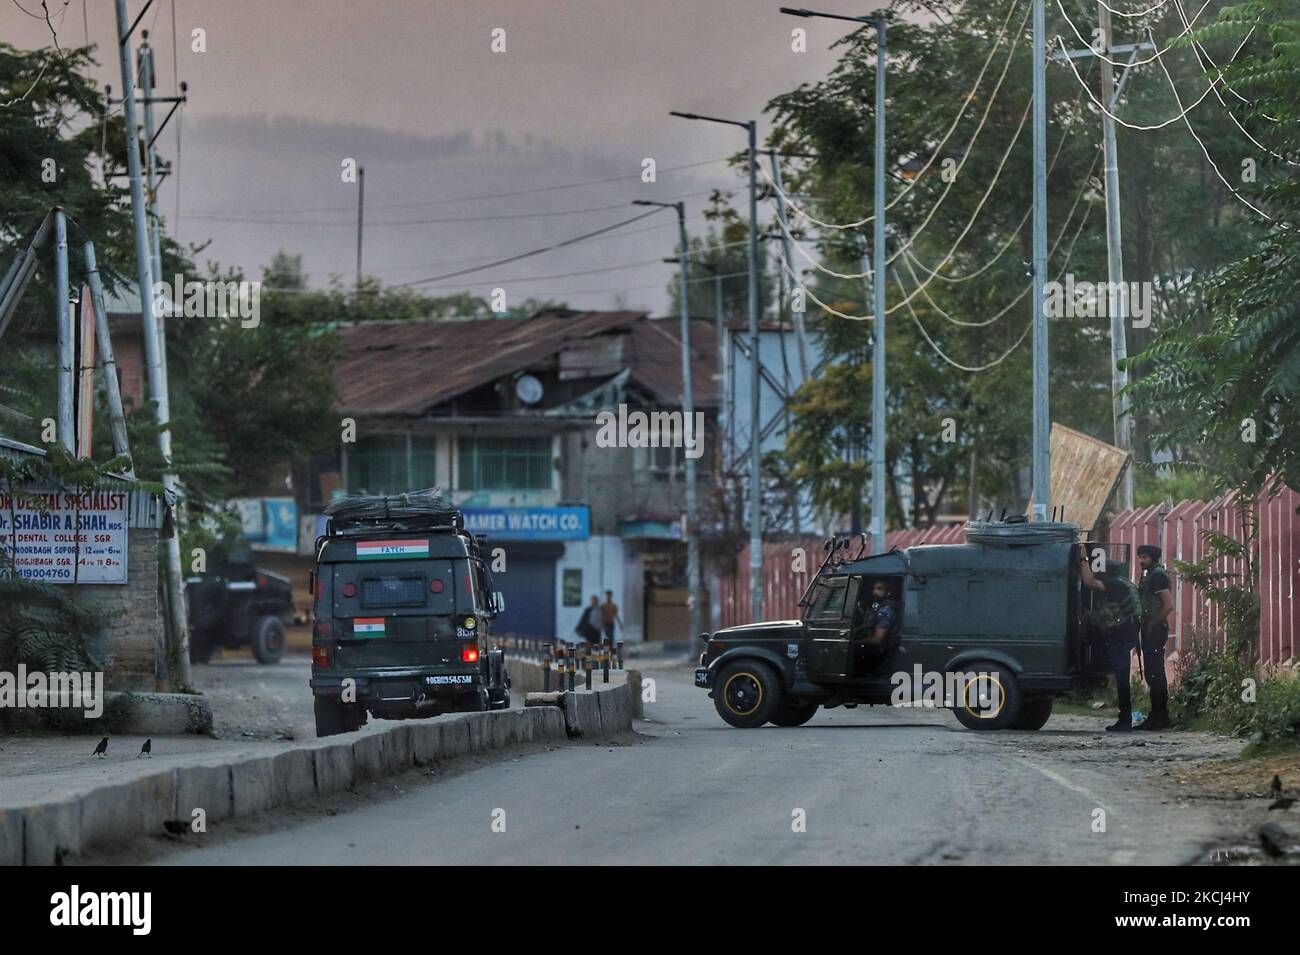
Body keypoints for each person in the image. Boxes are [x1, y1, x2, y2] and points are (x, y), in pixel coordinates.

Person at [1078, 544, 1143, 732]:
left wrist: (1083, 560)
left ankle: (1125, 719)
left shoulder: (1113, 584)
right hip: (1128, 633)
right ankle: (1125, 718)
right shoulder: (1124, 582)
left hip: (1121, 635)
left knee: (1122, 677)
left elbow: (1089, 583)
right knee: (1121, 675)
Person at [1135, 544, 1174, 731]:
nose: (1141, 561)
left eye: (1145, 557)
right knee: (1152, 673)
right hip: (1150, 629)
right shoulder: (1149, 575)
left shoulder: (1157, 576)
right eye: (1140, 557)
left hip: (1156, 629)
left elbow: (1168, 606)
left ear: (1153, 558)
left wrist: (1152, 624)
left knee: (1156, 673)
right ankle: (1157, 714)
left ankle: (1160, 715)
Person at [853, 579, 900, 673]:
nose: (874, 592)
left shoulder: (886, 610)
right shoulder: (881, 606)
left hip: (882, 652)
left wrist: (855, 642)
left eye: (879, 589)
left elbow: (877, 639)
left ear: (889, 592)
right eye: (874, 588)